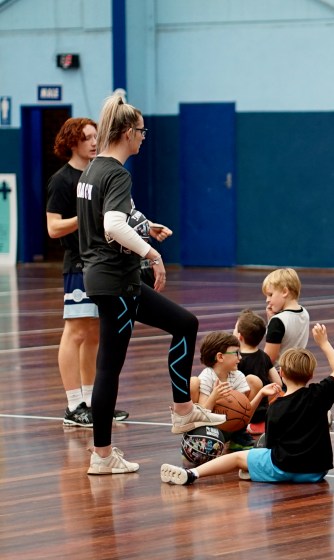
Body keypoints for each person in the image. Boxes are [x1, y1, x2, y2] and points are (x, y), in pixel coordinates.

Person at [76, 94, 224, 475]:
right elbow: (111, 225)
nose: (144, 137)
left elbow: (118, 216)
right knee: (109, 366)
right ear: (127, 133)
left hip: (108, 279)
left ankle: (182, 411)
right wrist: (152, 254)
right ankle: (103, 456)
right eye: (141, 131)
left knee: (184, 324)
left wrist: (145, 226)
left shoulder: (93, 170)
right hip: (118, 282)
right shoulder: (117, 173)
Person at [161, 323, 334, 485]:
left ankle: (192, 473)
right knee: (261, 447)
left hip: (282, 469)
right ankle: (250, 466)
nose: (240, 357)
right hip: (316, 472)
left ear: (281, 373)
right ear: (311, 375)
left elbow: (270, 446)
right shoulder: (320, 394)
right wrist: (324, 343)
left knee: (238, 458)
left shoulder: (276, 407)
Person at [45, 117, 128, 427]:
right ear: (72, 143)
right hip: (77, 264)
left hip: (100, 263)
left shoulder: (96, 175)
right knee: (76, 331)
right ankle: (72, 405)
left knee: (94, 333)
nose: (94, 142)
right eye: (87, 138)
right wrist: (84, 217)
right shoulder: (62, 180)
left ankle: (94, 402)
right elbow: (53, 228)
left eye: (96, 136)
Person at [234, 308, 282, 435]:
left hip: (247, 412)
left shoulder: (236, 359)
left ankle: (246, 426)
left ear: (240, 336)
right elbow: (278, 383)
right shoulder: (264, 356)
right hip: (264, 412)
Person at [262, 268, 309, 365]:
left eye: (270, 295)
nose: (267, 300)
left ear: (285, 292)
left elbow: (268, 360)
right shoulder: (304, 312)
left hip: (280, 375)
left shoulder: (278, 321)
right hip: (298, 371)